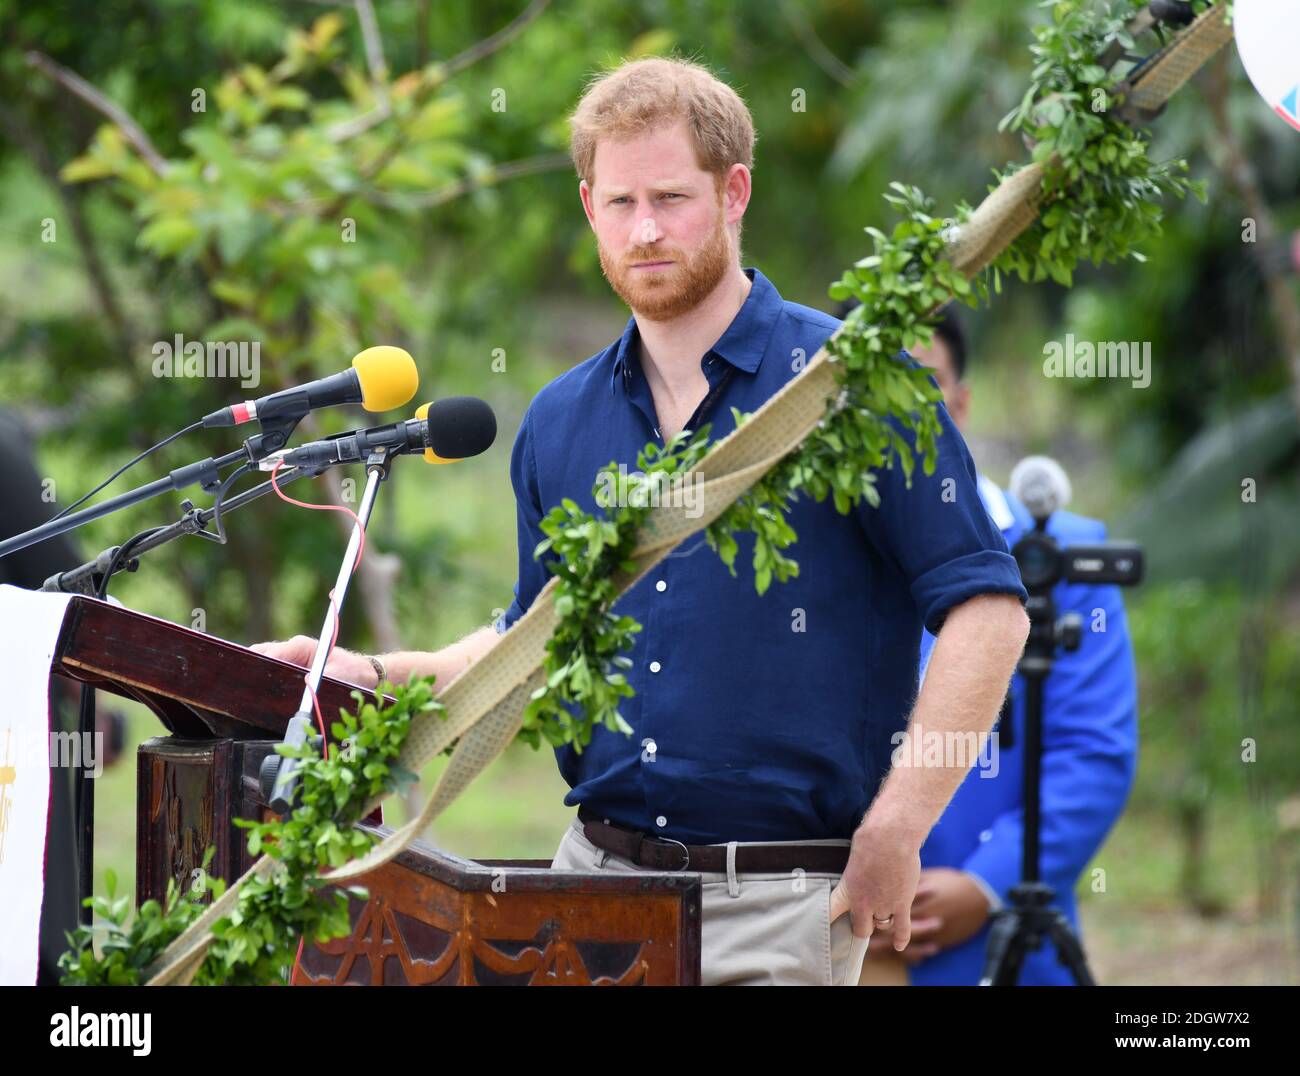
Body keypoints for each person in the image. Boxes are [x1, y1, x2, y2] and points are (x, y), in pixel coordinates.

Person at [254, 56, 1030, 986]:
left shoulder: (856, 385)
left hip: (781, 905)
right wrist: (363, 674)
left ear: (735, 191)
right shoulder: (559, 421)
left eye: (672, 197)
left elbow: (988, 610)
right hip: (589, 898)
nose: (646, 230)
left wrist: (897, 828)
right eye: (620, 203)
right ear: (589, 209)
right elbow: (529, 648)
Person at [866, 306, 1139, 985]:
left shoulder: (1059, 557)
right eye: (874, 390)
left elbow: (1091, 753)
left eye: (920, 384)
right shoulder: (792, 565)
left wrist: (986, 885)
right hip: (833, 939)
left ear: (959, 401)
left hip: (992, 940)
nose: (899, 411)